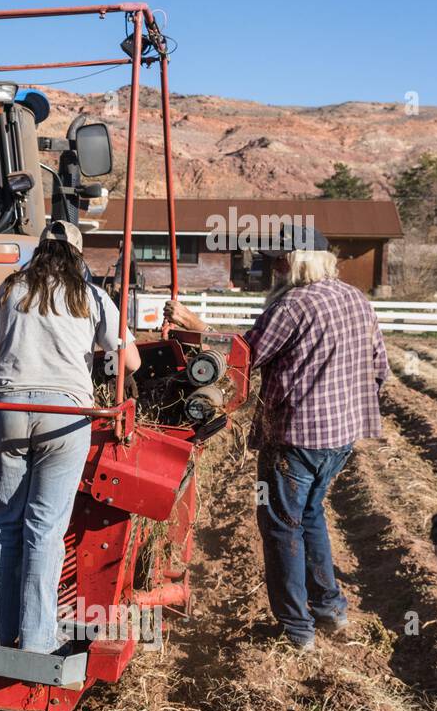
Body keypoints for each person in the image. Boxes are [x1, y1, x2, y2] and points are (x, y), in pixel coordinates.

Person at [164, 223, 388, 651]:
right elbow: (380, 370)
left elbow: (239, 361)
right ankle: (330, 609)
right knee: (310, 515)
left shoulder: (292, 307)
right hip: (340, 440)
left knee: (281, 527)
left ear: (295, 260)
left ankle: (297, 629)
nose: (276, 269)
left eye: (280, 260)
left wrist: (193, 325)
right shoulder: (356, 299)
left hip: (294, 440)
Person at [0, 221, 140, 652]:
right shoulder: (91, 297)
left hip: (7, 408)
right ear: (78, 256)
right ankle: (36, 639)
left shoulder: (12, 288)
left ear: (41, 249)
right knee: (44, 529)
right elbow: (132, 361)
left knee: (3, 521)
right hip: (65, 415)